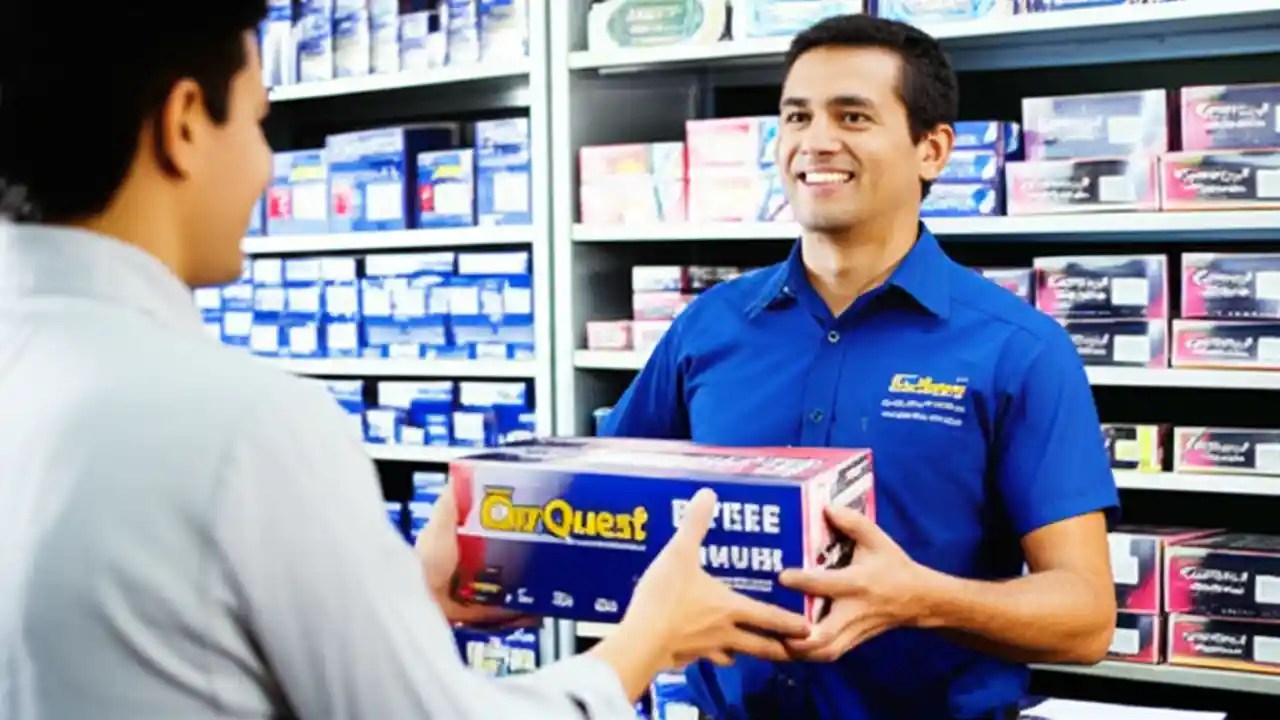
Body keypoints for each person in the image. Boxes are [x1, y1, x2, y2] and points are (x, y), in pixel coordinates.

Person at [0, 3, 811, 718]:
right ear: (182, 124)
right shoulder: (243, 425)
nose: (264, 169)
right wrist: (646, 642)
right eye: (255, 121)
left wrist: (400, 599)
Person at [601, 14, 1120, 720]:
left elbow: (1086, 617)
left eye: (853, 115)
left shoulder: (1018, 349)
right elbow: (605, 511)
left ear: (932, 149)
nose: (816, 141)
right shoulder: (707, 328)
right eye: (796, 116)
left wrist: (918, 598)